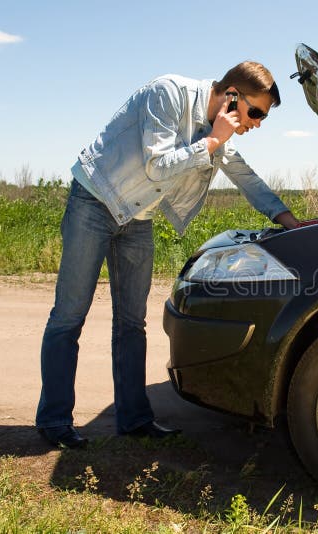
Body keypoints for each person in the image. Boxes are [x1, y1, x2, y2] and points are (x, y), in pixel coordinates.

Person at [36, 61, 300, 448]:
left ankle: (134, 419)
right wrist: (212, 141)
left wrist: (291, 222)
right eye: (256, 112)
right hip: (94, 201)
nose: (257, 123)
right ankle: (54, 421)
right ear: (231, 96)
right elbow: (157, 165)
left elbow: (244, 176)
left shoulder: (215, 131)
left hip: (137, 217)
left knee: (131, 323)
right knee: (69, 316)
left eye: (262, 117)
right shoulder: (168, 93)